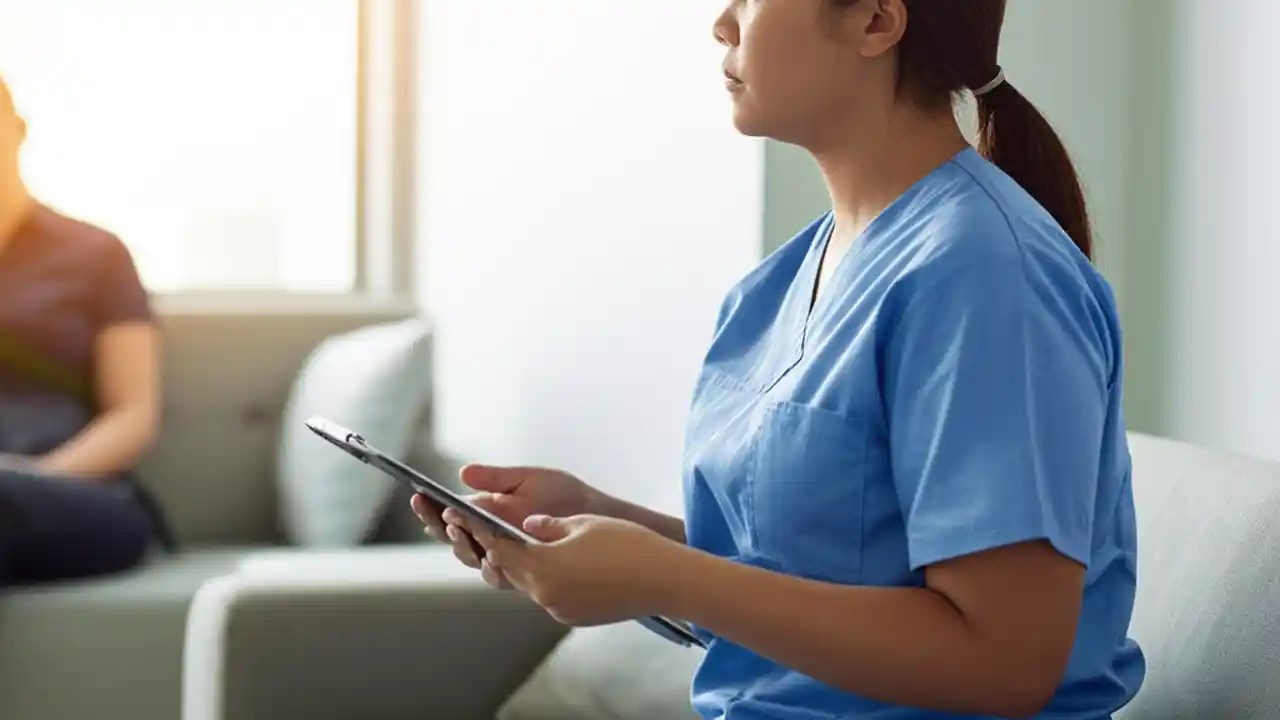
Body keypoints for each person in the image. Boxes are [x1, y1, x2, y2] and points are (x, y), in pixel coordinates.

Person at [414, 1, 1144, 717]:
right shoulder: (779, 284)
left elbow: (1005, 663)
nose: (722, 22)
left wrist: (667, 576)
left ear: (876, 21)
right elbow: (806, 582)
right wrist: (603, 523)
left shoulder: (985, 275)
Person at [0, 76, 162, 588]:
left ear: (17, 129)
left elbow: (134, 412)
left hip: (79, 495)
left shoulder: (95, 255)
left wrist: (34, 478)